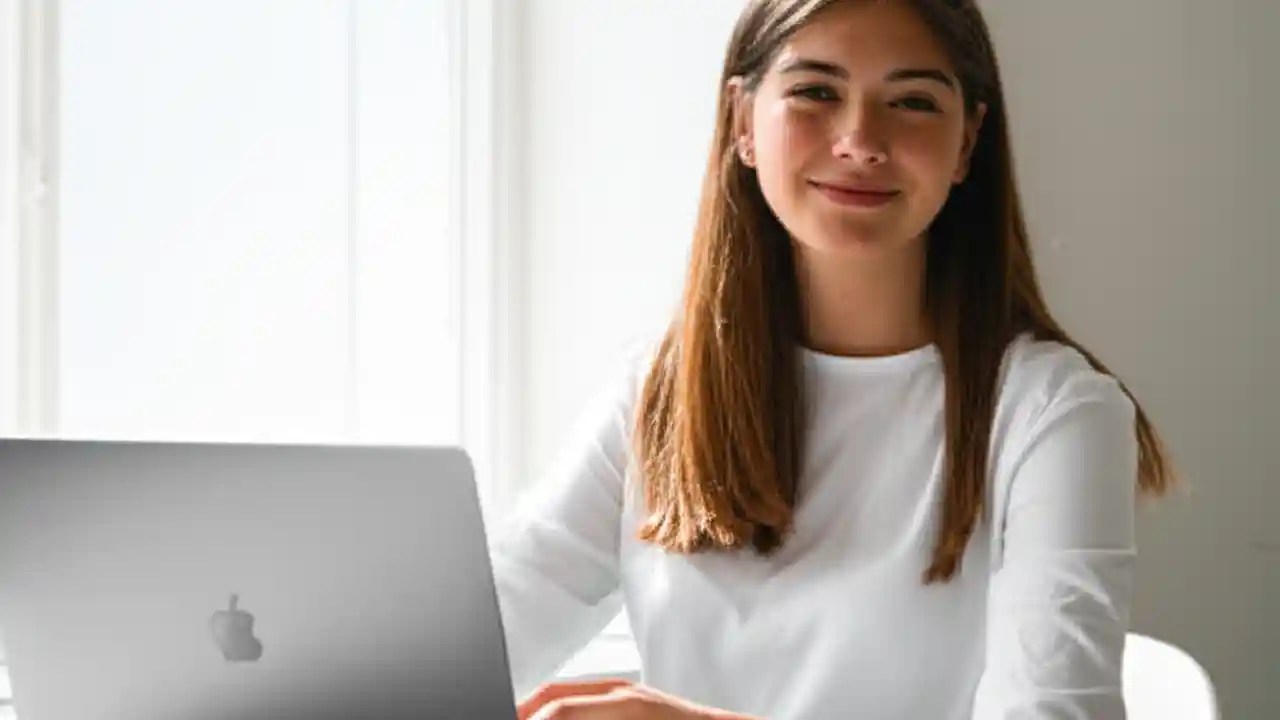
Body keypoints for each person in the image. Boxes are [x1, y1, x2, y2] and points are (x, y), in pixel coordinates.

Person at [491, 1, 1175, 718]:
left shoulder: (1055, 413)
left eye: (912, 102)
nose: (860, 141)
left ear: (967, 142)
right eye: (816, 91)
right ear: (741, 121)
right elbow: (496, 619)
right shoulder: (663, 386)